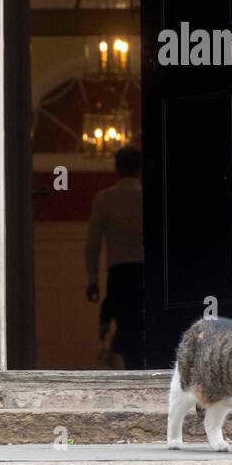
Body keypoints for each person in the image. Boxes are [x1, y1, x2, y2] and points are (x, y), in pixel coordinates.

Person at [85, 145, 144, 368]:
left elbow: (93, 243)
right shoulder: (146, 197)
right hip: (145, 274)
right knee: (141, 327)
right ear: (140, 169)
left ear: (116, 168)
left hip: (118, 272)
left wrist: (92, 280)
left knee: (122, 324)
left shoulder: (104, 199)